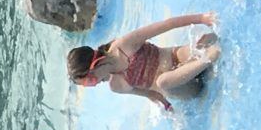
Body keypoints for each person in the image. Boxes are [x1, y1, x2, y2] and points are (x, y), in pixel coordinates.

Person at [67, 12, 220, 111]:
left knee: (207, 40)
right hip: (182, 87)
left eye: (90, 81)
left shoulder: (124, 45)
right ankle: (208, 58)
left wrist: (202, 19)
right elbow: (152, 94)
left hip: (177, 58)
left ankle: (210, 52)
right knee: (162, 82)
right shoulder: (116, 85)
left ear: (94, 64)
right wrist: (168, 108)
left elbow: (167, 25)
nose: (94, 84)